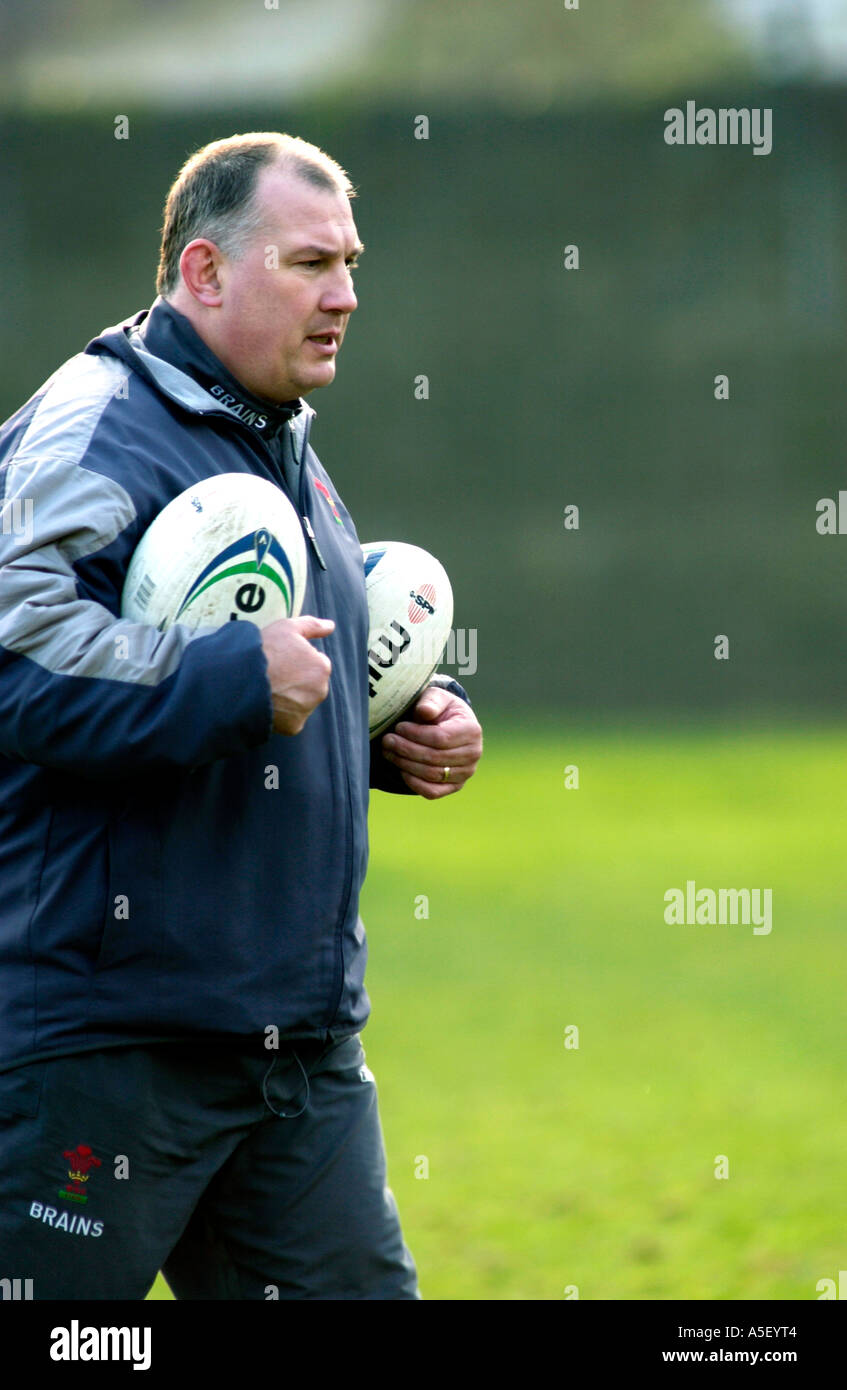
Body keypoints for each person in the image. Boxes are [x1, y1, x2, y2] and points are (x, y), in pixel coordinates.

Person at [0, 132, 482, 1300]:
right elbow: (19, 662)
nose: (346, 295)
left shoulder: (279, 442)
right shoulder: (96, 430)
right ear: (205, 272)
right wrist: (233, 681)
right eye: (312, 262)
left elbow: (273, 677)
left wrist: (394, 730)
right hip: (111, 1049)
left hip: (297, 1058)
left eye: (351, 262)